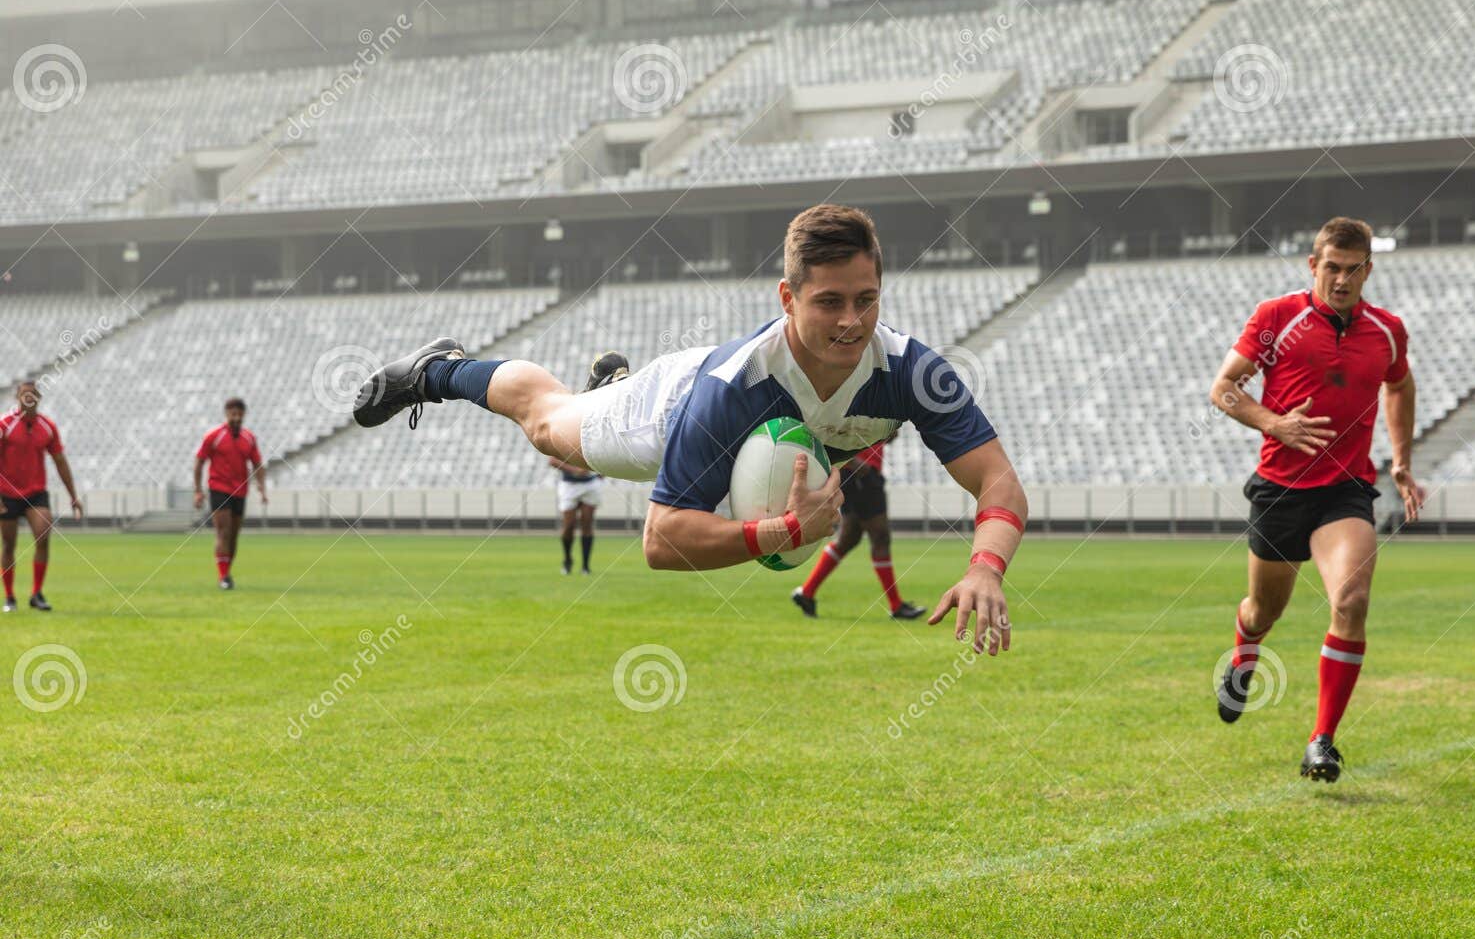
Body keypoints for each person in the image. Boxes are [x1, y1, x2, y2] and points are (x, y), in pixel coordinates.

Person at [353, 204, 1025, 652]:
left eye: (867, 299)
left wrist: (986, 567)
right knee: (549, 423)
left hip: (769, 439)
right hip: (667, 408)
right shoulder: (731, 388)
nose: (851, 320)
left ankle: (604, 384)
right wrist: (785, 533)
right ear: (788, 299)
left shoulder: (912, 370)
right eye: (829, 302)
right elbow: (662, 539)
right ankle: (438, 371)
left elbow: (996, 479)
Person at [1208, 216, 1425, 782]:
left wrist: (1400, 461)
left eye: (1354, 270)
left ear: (1368, 271)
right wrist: (1273, 423)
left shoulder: (1387, 330)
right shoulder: (1277, 316)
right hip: (1279, 489)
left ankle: (1321, 740)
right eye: (1332, 267)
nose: (1342, 280)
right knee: (1264, 612)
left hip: (1344, 491)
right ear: (1313, 265)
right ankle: (1244, 652)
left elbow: (1399, 385)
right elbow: (1224, 387)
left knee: (1350, 602)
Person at [791, 438, 924, 620]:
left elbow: (888, 435)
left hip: (861, 472)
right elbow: (835, 429)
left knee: (848, 539)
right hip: (860, 474)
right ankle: (896, 606)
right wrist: (854, 461)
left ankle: (806, 593)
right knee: (880, 537)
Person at [0, 380, 83, 612]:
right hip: (6, 493)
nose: (29, 397)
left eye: (33, 393)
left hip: (36, 492)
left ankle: (36, 593)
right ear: (17, 397)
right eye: (24, 394)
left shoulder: (47, 427)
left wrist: (73, 495)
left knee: (43, 534)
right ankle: (9, 597)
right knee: (8, 544)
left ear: (38, 397)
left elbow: (60, 461)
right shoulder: (5, 424)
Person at [194, 397, 267, 590]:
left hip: (240, 490)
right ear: (227, 414)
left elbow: (257, 463)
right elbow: (200, 462)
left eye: (239, 414)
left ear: (243, 415)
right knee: (223, 531)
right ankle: (223, 576)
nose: (236, 417)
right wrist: (198, 491)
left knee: (234, 535)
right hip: (218, 488)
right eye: (232, 414)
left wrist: (261, 487)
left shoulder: (249, 438)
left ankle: (226, 572)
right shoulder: (214, 436)